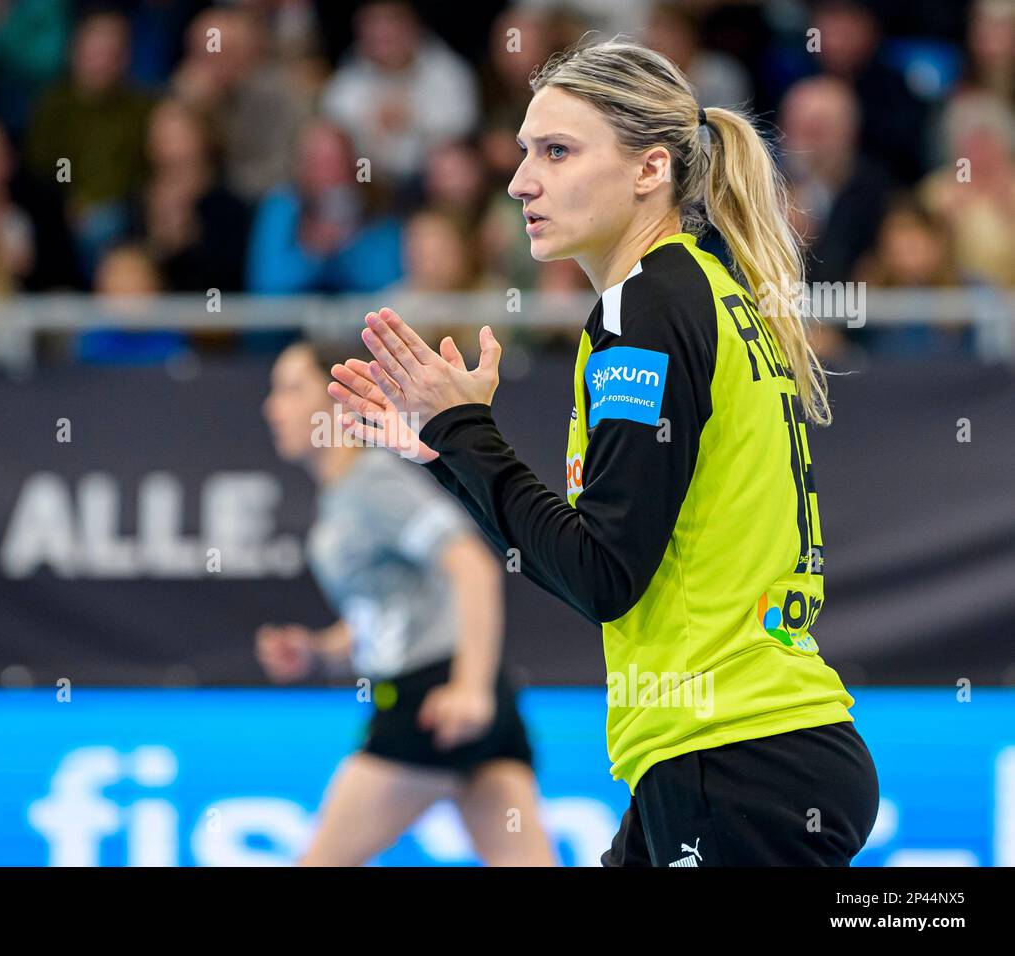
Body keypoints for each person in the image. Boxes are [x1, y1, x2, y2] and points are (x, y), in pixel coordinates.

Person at [328, 37, 879, 867]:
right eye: (522, 153)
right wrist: (448, 453)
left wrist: (464, 436)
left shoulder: (645, 310)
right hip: (749, 754)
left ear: (649, 168)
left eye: (556, 150)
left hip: (732, 756)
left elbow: (603, 575)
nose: (521, 181)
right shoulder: (704, 290)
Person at [257, 340, 556, 867]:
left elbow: (473, 566)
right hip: (468, 706)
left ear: (337, 401)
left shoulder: (374, 482)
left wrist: (469, 686)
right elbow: (383, 613)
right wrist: (317, 651)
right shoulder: (344, 497)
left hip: (432, 705)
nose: (271, 406)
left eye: (290, 389)